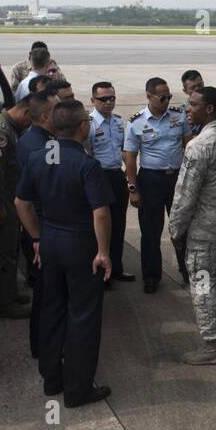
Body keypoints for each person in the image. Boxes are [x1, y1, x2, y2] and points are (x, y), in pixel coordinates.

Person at [14, 100, 113, 407]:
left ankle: (52, 379)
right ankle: (78, 389)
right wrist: (104, 252)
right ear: (82, 126)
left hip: (50, 240)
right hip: (81, 244)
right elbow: (100, 214)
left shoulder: (37, 157)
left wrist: (37, 238)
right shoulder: (86, 164)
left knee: (52, 310)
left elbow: (21, 202)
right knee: (83, 315)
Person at [167, 86, 216, 365]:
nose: (188, 108)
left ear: (209, 109)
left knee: (203, 282)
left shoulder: (199, 146)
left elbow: (186, 193)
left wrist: (176, 230)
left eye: (192, 104)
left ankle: (212, 345)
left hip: (206, 229)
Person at [123, 77, 189, 293]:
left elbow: (188, 144)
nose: (167, 100)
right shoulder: (136, 122)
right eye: (163, 97)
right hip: (151, 180)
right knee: (151, 232)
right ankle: (151, 276)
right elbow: (130, 158)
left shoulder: (179, 116)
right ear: (149, 96)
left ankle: (188, 271)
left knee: (182, 228)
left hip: (177, 178)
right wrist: (133, 189)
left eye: (169, 96)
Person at [0, 96, 34, 319]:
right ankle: (4, 304)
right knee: (2, 252)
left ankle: (10, 293)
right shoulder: (0, 132)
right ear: (26, 113)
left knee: (11, 248)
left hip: (10, 198)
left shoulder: (10, 127)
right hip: (1, 202)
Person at [15, 90, 59, 361]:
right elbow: (26, 201)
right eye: (56, 111)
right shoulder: (36, 146)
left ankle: (43, 345)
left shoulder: (41, 139)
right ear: (44, 116)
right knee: (46, 296)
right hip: (41, 230)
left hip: (42, 229)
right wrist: (38, 238)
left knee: (47, 293)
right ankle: (43, 348)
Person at [89, 81, 135, 285]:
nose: (109, 103)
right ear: (93, 100)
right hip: (99, 177)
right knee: (101, 226)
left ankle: (116, 268)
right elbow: (87, 153)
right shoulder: (88, 123)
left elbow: (124, 151)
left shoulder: (118, 122)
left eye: (112, 98)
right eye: (103, 99)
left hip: (117, 176)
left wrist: (130, 177)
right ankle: (101, 272)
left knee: (118, 224)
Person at [179, 69, 216, 139]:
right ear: (185, 91)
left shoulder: (215, 102)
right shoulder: (182, 110)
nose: (198, 89)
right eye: (193, 88)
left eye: (200, 85)